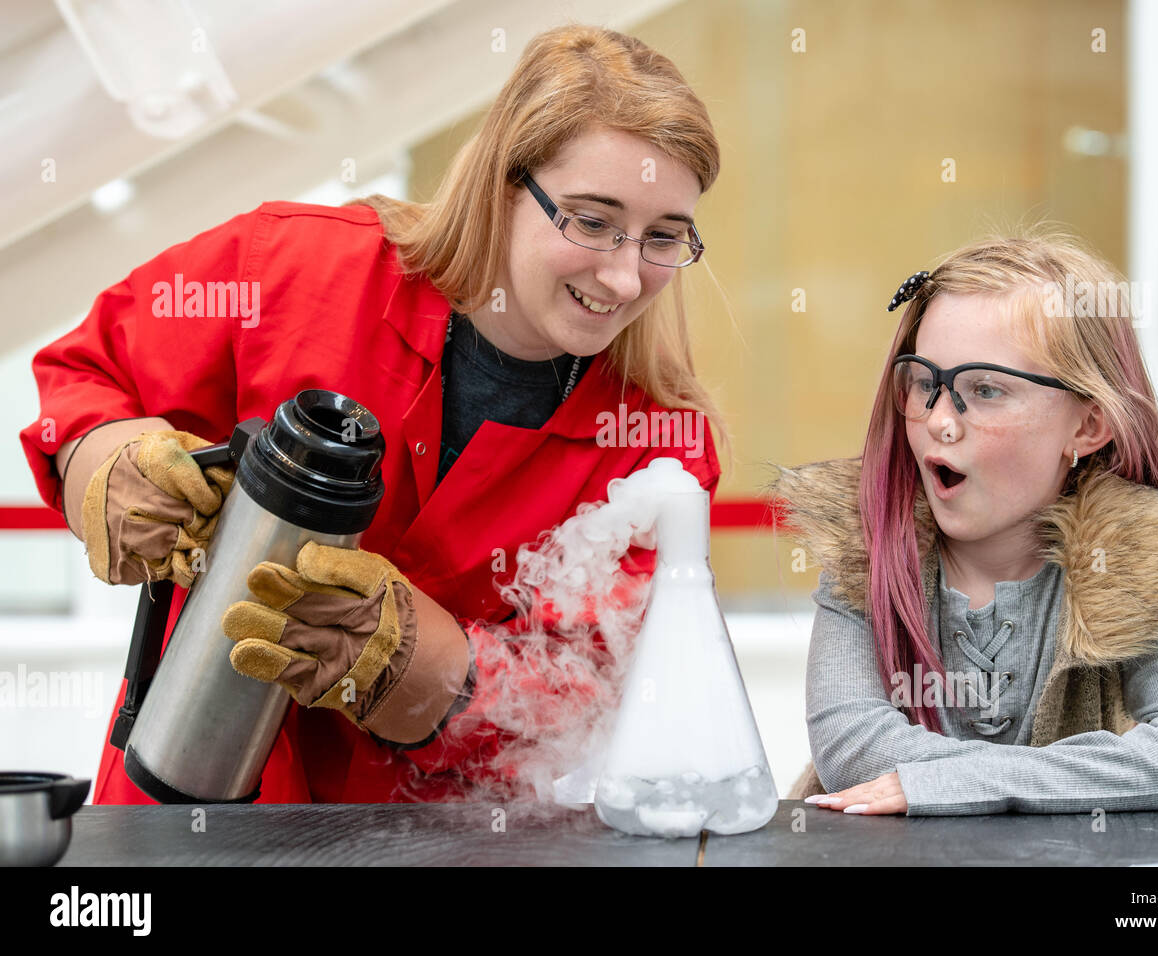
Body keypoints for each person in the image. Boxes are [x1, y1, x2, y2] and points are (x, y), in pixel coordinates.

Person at [18, 24, 726, 804]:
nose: (625, 278)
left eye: (663, 237)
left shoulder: (658, 449)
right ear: (502, 181)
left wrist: (414, 664)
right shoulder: (292, 268)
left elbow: (588, 697)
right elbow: (87, 373)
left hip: (443, 844)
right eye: (592, 221)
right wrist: (112, 467)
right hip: (179, 807)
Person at [773, 229, 1158, 816]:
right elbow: (853, 749)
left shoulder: (1138, 565)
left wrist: (971, 784)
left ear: (1087, 427)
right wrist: (1073, 779)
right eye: (926, 382)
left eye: (986, 389)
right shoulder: (865, 549)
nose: (940, 421)